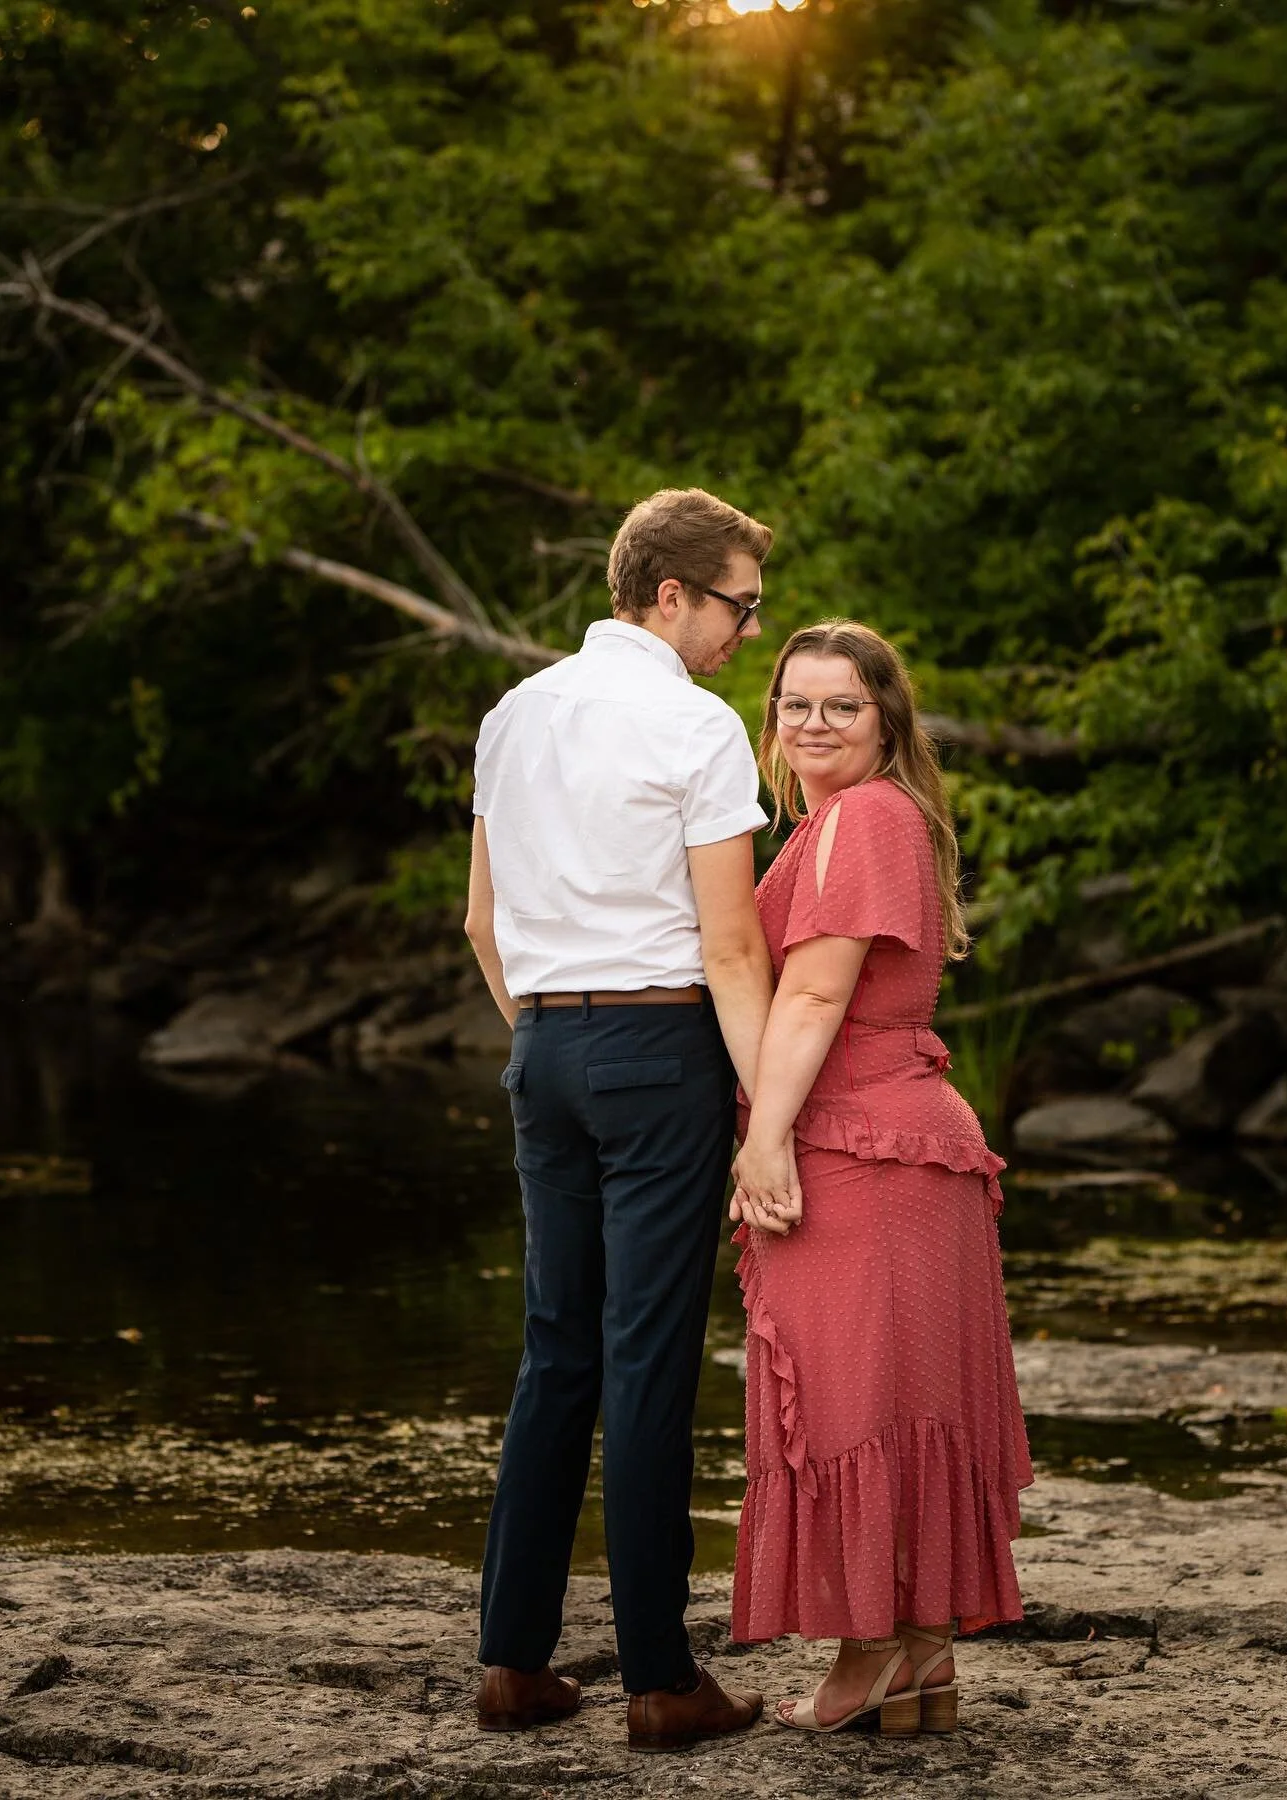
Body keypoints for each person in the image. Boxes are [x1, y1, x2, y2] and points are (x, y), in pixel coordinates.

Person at [464, 488, 797, 1753]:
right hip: (659, 1045)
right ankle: (662, 1679)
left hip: (542, 1039)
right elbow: (728, 943)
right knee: (648, 1357)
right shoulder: (697, 726)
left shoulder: (516, 710)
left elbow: (482, 927)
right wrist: (768, 1114)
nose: (746, 633)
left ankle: (513, 1662)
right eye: (737, 605)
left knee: (558, 1349)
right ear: (670, 595)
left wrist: (551, 1040)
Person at [728, 620, 1032, 1735]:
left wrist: (765, 1141)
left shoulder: (860, 817)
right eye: (794, 705)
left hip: (861, 1145)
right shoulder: (858, 822)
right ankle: (918, 1658)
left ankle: (868, 1663)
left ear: (886, 721)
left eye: (840, 707)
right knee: (898, 1403)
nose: (812, 725)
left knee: (854, 1406)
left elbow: (812, 999)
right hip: (901, 1142)